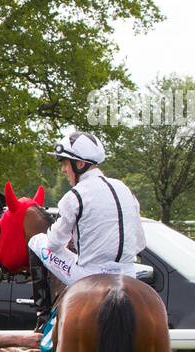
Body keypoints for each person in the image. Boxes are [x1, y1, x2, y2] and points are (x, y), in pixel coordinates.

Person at [28, 129, 148, 325]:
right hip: (129, 273)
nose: (63, 170)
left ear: (80, 164)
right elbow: (139, 243)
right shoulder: (125, 189)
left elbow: (53, 244)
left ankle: (42, 316)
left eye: (65, 163)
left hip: (89, 277)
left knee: (36, 241)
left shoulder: (74, 196)